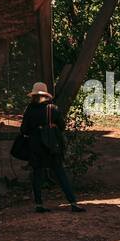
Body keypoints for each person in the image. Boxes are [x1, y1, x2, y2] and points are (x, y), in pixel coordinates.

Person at [21, 82, 85, 214]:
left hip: (35, 146)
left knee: (37, 174)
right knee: (60, 174)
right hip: (51, 146)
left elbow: (24, 129)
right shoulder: (53, 109)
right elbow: (62, 127)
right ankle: (73, 202)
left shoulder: (29, 109)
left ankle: (39, 204)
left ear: (33, 95)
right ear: (46, 95)